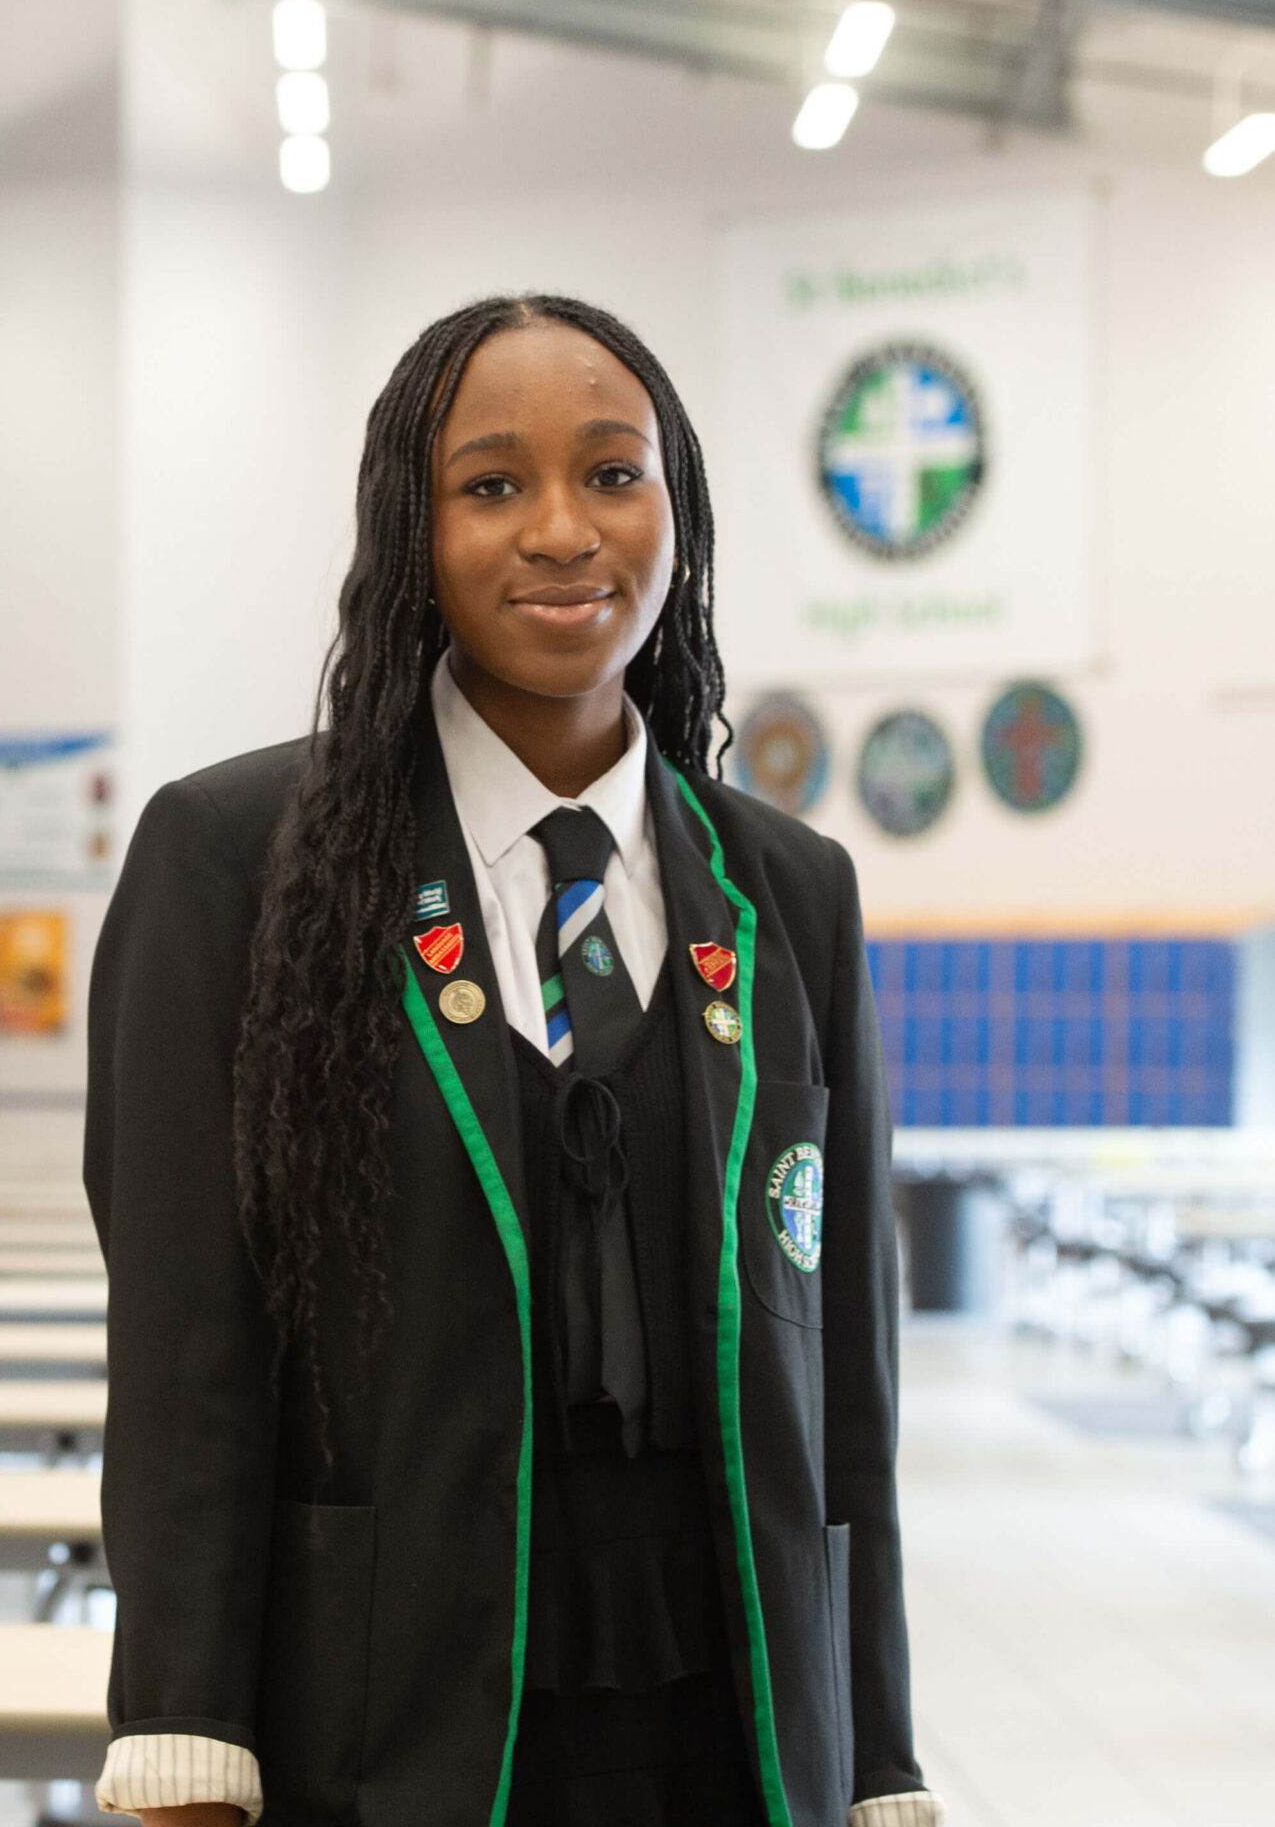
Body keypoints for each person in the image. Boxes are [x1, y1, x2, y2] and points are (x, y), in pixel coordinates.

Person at [84, 294, 943, 1827]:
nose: (562, 530)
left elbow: (848, 1381)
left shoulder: (788, 888)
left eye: (613, 474)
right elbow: (184, 1354)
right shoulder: (237, 862)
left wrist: (875, 1760)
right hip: (389, 1727)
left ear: (678, 511)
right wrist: (185, 1741)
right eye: (492, 485)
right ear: (411, 532)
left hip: (733, 1724)